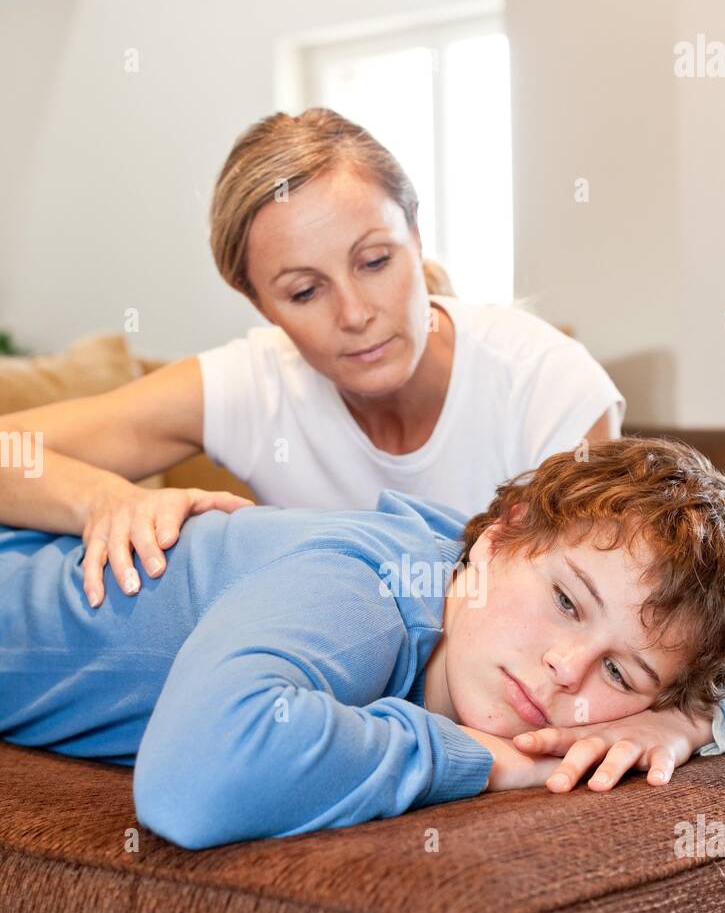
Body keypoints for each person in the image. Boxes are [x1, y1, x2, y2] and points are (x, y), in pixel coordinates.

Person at [1, 438, 725, 850]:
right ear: (498, 537)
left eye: (620, 669)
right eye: (566, 602)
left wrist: (690, 722)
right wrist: (492, 761)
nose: (568, 669)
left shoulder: (494, 584)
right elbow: (192, 784)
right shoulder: (371, 590)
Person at [0, 108, 624, 609]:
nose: (354, 313)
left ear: (416, 235)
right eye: (304, 291)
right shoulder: (258, 380)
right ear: (262, 306)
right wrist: (104, 499)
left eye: (375, 261)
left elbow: (597, 610)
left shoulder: (547, 385)